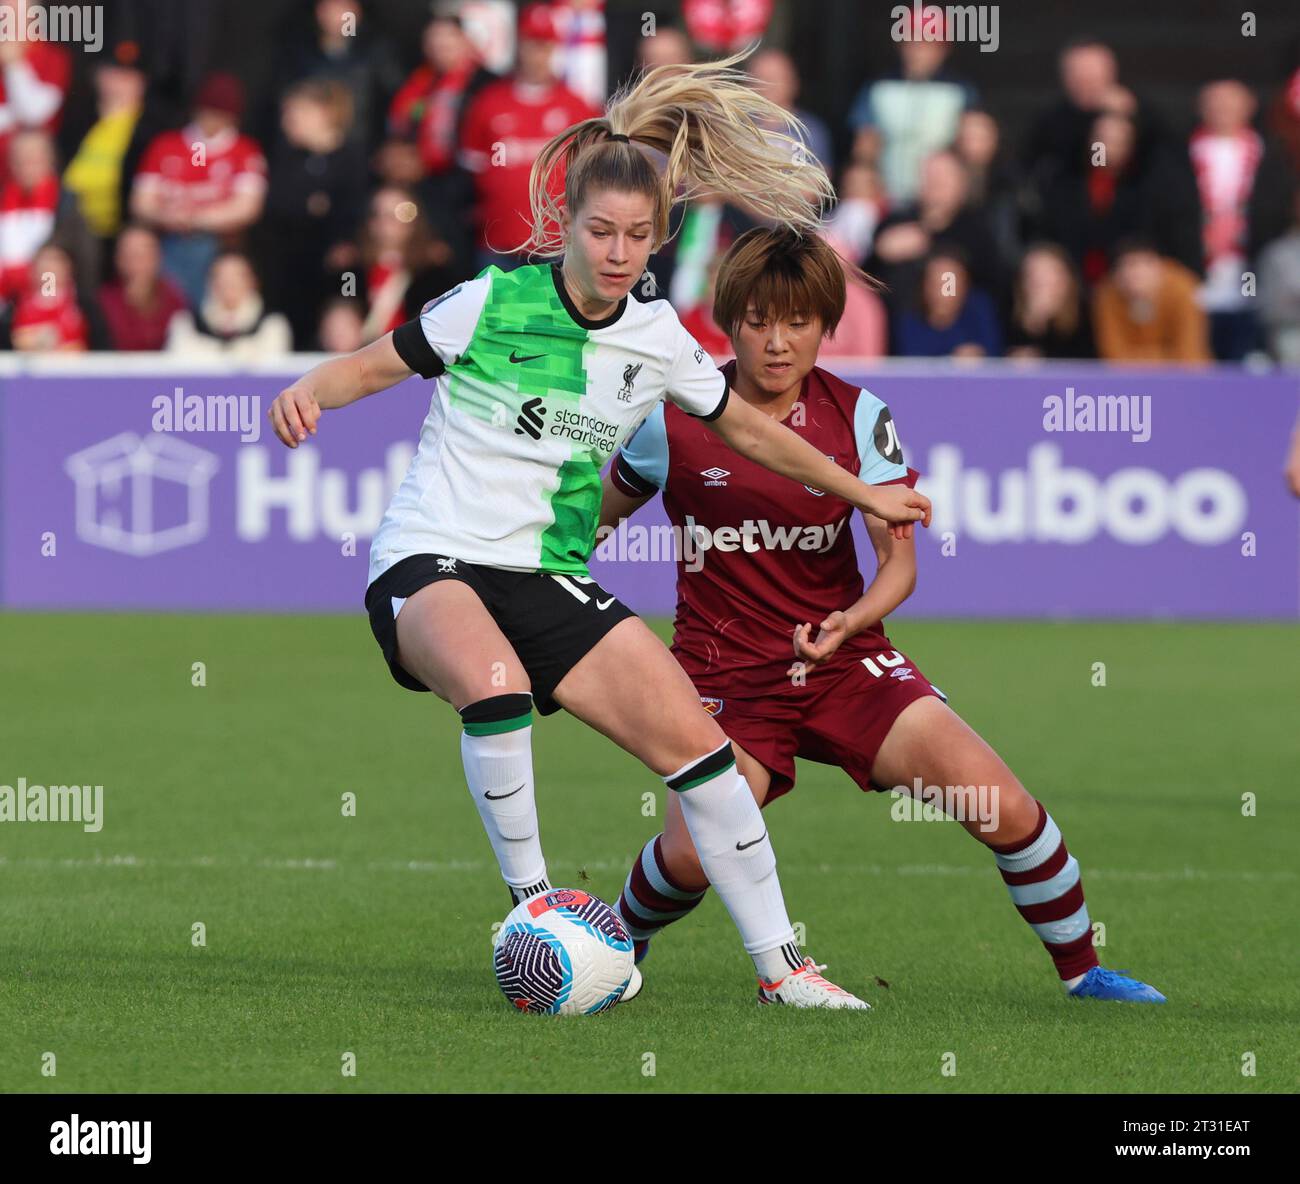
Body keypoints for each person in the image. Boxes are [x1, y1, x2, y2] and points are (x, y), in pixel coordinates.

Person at [265, 52, 931, 1010]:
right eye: (600, 232)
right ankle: (532, 908)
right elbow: (374, 366)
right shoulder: (491, 301)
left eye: (636, 238)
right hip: (433, 554)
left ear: (657, 240)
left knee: (704, 755)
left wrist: (863, 494)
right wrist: (306, 393)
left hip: (545, 573)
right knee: (493, 688)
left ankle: (783, 970)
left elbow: (745, 426)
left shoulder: (657, 338)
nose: (618, 253)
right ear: (566, 225)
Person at [600, 226, 1165, 1005]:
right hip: (725, 675)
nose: (776, 341)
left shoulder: (860, 416)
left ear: (825, 324)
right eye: (759, 319)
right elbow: (591, 524)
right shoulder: (672, 421)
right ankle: (615, 949)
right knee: (694, 857)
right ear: (728, 321)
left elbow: (899, 563)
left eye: (796, 321)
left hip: (848, 663)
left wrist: (850, 621)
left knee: (1002, 808)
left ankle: (1084, 974)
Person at [457, 2, 599, 268]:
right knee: (497, 310)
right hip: (498, 244)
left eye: (544, 45)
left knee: (553, 310)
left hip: (558, 246)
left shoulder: (578, 107)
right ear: (518, 45)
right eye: (530, 43)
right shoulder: (488, 102)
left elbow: (593, 173)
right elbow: (470, 170)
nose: (536, 54)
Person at [130, 73, 268, 308]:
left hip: (218, 247)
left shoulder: (245, 151)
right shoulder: (165, 146)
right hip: (167, 242)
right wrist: (168, 217)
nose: (211, 120)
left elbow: (247, 208)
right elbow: (141, 202)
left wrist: (198, 220)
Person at [1092, 238, 1211, 363]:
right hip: (1129, 380)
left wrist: (1139, 357)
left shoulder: (1184, 290)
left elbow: (1190, 353)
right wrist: (1165, 356)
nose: (1134, 273)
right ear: (1116, 273)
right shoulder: (1107, 294)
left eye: (1143, 265)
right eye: (1127, 265)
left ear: (1159, 266)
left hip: (1187, 379)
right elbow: (1113, 355)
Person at [165, 249, 291, 360]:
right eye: (221, 276)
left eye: (237, 276)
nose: (228, 283)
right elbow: (179, 367)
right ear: (209, 282)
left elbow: (272, 365)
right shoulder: (185, 323)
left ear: (253, 282)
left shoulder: (273, 324)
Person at [97, 223, 188, 351]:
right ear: (118, 258)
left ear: (157, 257)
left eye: (143, 255)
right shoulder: (103, 301)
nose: (135, 262)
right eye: (129, 254)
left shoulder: (174, 297)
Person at [1006, 242, 1093, 359]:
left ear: (1067, 279)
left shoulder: (1088, 313)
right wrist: (1033, 321)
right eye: (1032, 274)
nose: (1040, 281)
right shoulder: (1007, 310)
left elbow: (1088, 362)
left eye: (1049, 272)